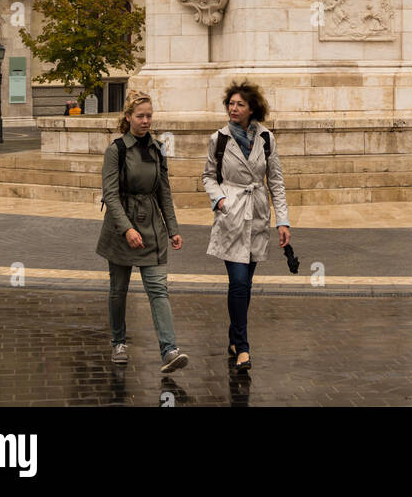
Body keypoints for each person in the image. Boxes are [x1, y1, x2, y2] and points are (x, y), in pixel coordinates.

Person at [96, 89, 188, 373]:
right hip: (121, 227)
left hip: (152, 229)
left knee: (158, 288)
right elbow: (110, 195)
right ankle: (119, 341)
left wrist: (172, 228)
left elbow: (164, 193)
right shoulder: (116, 150)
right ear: (128, 117)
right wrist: (126, 229)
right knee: (118, 290)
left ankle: (169, 350)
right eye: (140, 116)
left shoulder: (158, 150)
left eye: (149, 116)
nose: (146, 121)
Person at [203, 80, 290, 374]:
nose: (233, 108)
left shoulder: (266, 138)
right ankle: (243, 347)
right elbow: (208, 176)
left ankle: (233, 336)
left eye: (240, 104)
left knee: (245, 285)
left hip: (259, 215)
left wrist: (283, 220)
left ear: (252, 108)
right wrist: (221, 201)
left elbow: (275, 181)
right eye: (231, 103)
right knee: (238, 282)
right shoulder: (220, 139)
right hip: (232, 214)